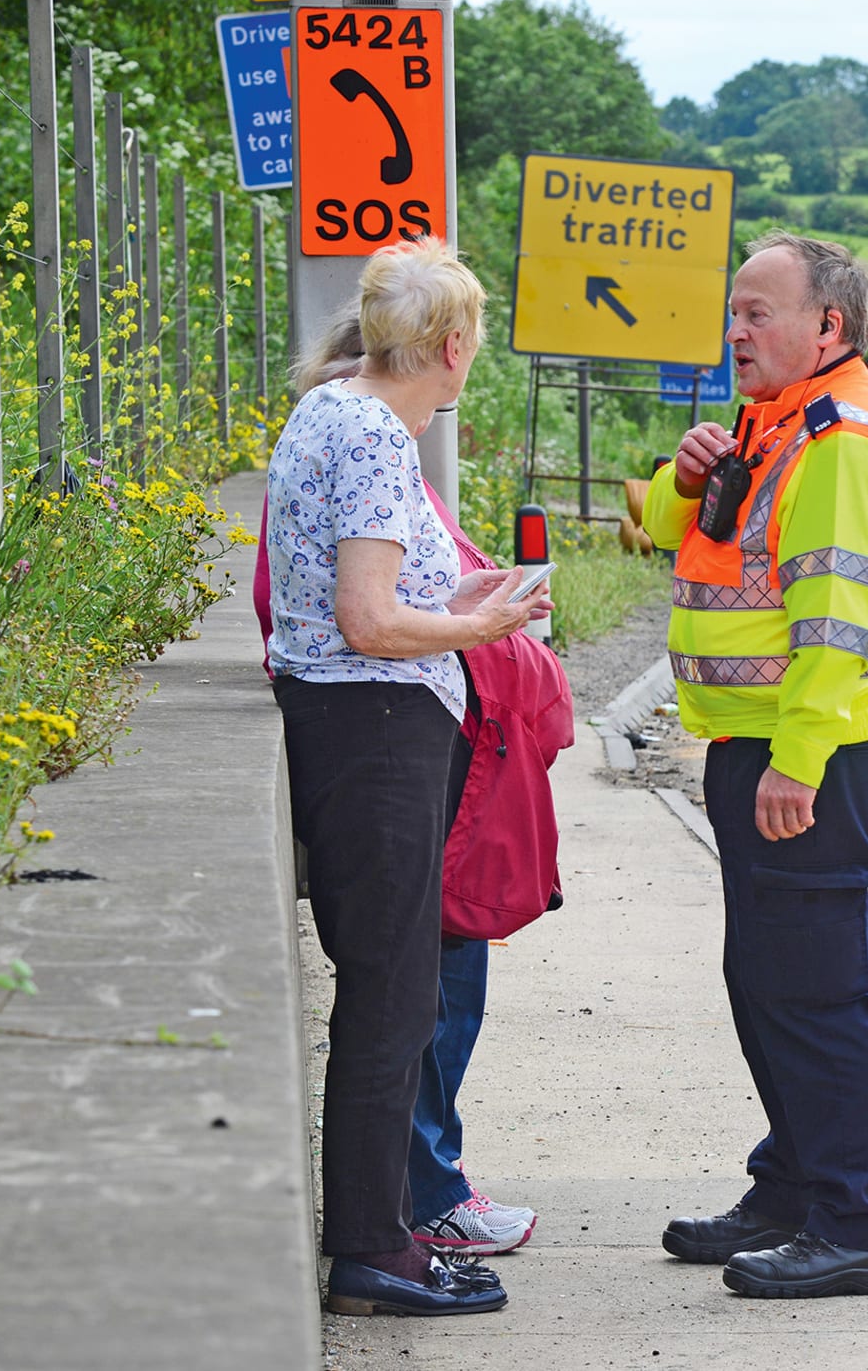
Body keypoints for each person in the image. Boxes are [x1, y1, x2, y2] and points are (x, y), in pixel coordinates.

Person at [265, 238, 547, 1317]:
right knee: (392, 996)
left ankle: (378, 1235)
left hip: (349, 722)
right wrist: (479, 622)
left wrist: (464, 595)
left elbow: (369, 586)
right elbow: (370, 619)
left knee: (388, 989)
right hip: (375, 729)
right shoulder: (380, 437)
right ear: (452, 343)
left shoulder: (330, 408)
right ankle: (377, 1251)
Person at [641, 231, 868, 1298]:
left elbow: (836, 623)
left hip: (811, 761)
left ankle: (860, 1222)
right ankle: (794, 1186)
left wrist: (797, 762)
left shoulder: (840, 439)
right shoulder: (771, 425)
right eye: (733, 309)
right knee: (766, 984)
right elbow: (669, 531)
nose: (736, 329)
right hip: (754, 746)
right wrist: (686, 470)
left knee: (816, 994)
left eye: (760, 312)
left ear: (828, 326)